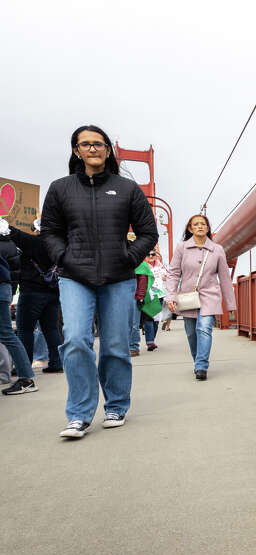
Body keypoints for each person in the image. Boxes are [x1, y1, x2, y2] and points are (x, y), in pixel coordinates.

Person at [41, 124, 159, 438]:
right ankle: (79, 414)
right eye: (86, 144)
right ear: (76, 151)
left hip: (118, 277)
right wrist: (63, 257)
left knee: (116, 345)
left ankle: (116, 405)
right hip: (75, 276)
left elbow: (149, 232)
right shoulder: (60, 188)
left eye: (99, 143)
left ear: (107, 150)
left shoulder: (126, 189)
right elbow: (49, 232)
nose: (93, 148)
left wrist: (129, 257)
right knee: (76, 340)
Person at [165, 214, 236, 380]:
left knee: (203, 329)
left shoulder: (217, 249)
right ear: (190, 229)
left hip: (209, 296)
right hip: (188, 297)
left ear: (208, 228)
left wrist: (231, 304)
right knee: (191, 333)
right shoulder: (181, 248)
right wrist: (171, 296)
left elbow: (225, 278)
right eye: (196, 224)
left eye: (203, 224)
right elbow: (174, 273)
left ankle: (201, 366)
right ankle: (198, 359)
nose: (199, 227)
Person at [4, 214, 62, 373]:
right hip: (53, 292)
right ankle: (57, 364)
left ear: (38, 229)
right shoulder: (57, 246)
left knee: (25, 330)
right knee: (51, 329)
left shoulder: (33, 242)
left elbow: (13, 232)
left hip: (31, 292)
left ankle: (24, 365)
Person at [0, 221, 36, 394]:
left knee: (7, 334)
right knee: (8, 334)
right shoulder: (10, 244)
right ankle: (26, 377)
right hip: (5, 287)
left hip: (2, 287)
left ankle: (26, 378)